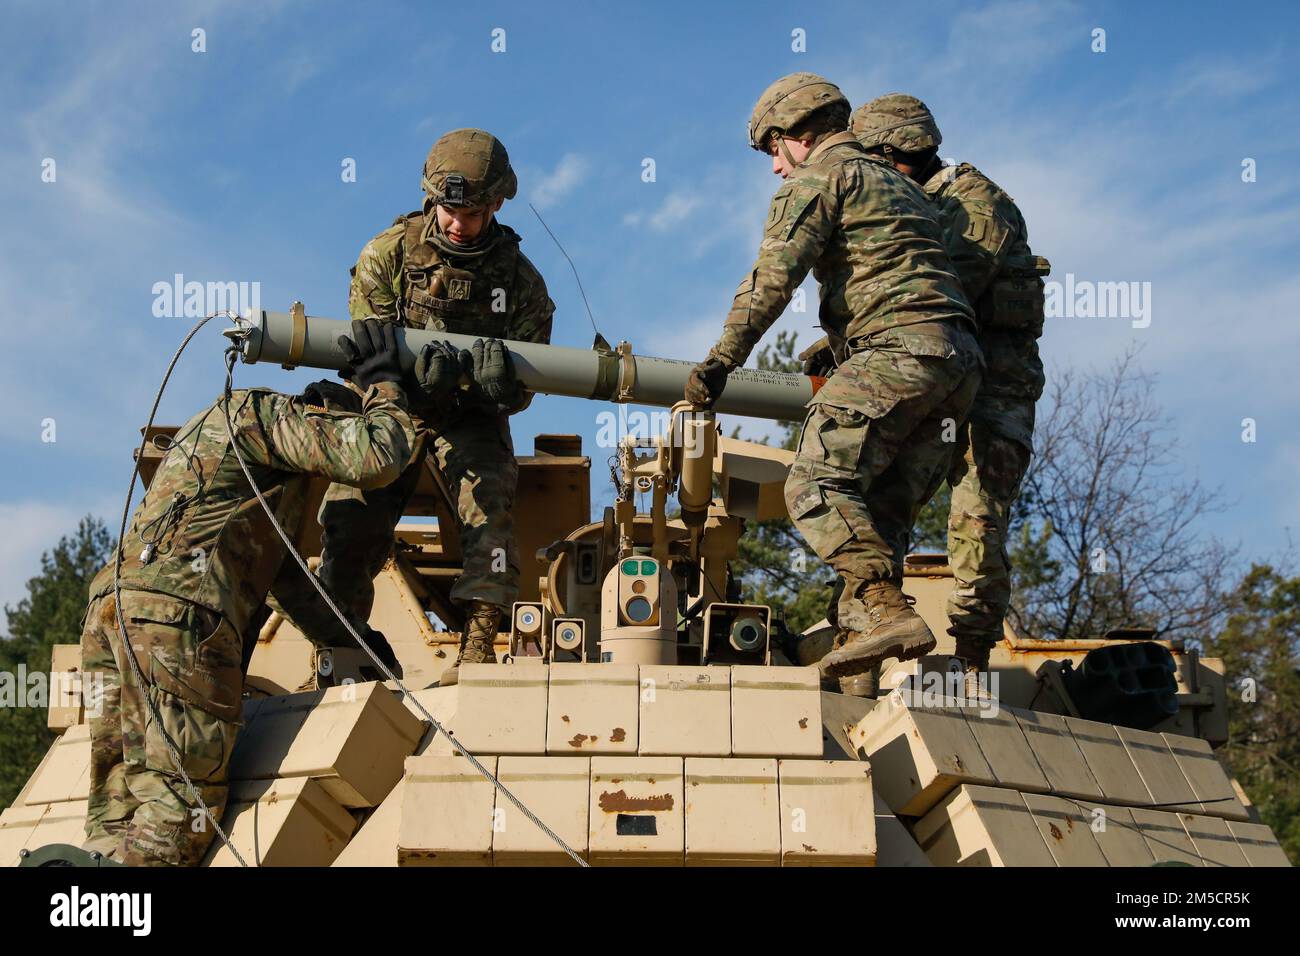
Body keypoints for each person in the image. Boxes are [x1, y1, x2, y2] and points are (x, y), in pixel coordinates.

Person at [80, 319, 453, 865]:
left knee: (117, 806)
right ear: (321, 422)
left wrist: (353, 640)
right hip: (179, 618)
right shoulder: (268, 415)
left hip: (113, 611)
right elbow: (376, 457)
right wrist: (385, 385)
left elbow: (286, 582)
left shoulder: (215, 440)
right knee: (183, 807)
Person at [685, 74, 982, 680]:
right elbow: (907, 270)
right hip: (959, 364)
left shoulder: (824, 175)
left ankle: (885, 612)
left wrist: (720, 361)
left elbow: (772, 279)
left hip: (899, 351)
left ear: (798, 133)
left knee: (813, 482)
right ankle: (861, 656)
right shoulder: (901, 184)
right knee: (878, 513)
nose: (775, 168)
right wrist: (838, 341)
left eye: (774, 149)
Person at [320, 129, 555, 686]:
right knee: (352, 510)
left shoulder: (522, 284)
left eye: (471, 212)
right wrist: (400, 389)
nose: (456, 223)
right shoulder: (388, 254)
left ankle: (477, 649)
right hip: (387, 404)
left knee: (490, 504)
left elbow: (524, 388)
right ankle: (340, 646)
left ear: (497, 204)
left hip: (469, 415)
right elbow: (365, 356)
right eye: (449, 209)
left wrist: (495, 389)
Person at [852, 93, 1050, 680]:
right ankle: (870, 632)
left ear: (895, 154)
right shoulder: (915, 205)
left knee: (976, 522)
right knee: (883, 501)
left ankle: (970, 658)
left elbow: (945, 292)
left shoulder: (975, 204)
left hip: (994, 392)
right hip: (940, 381)